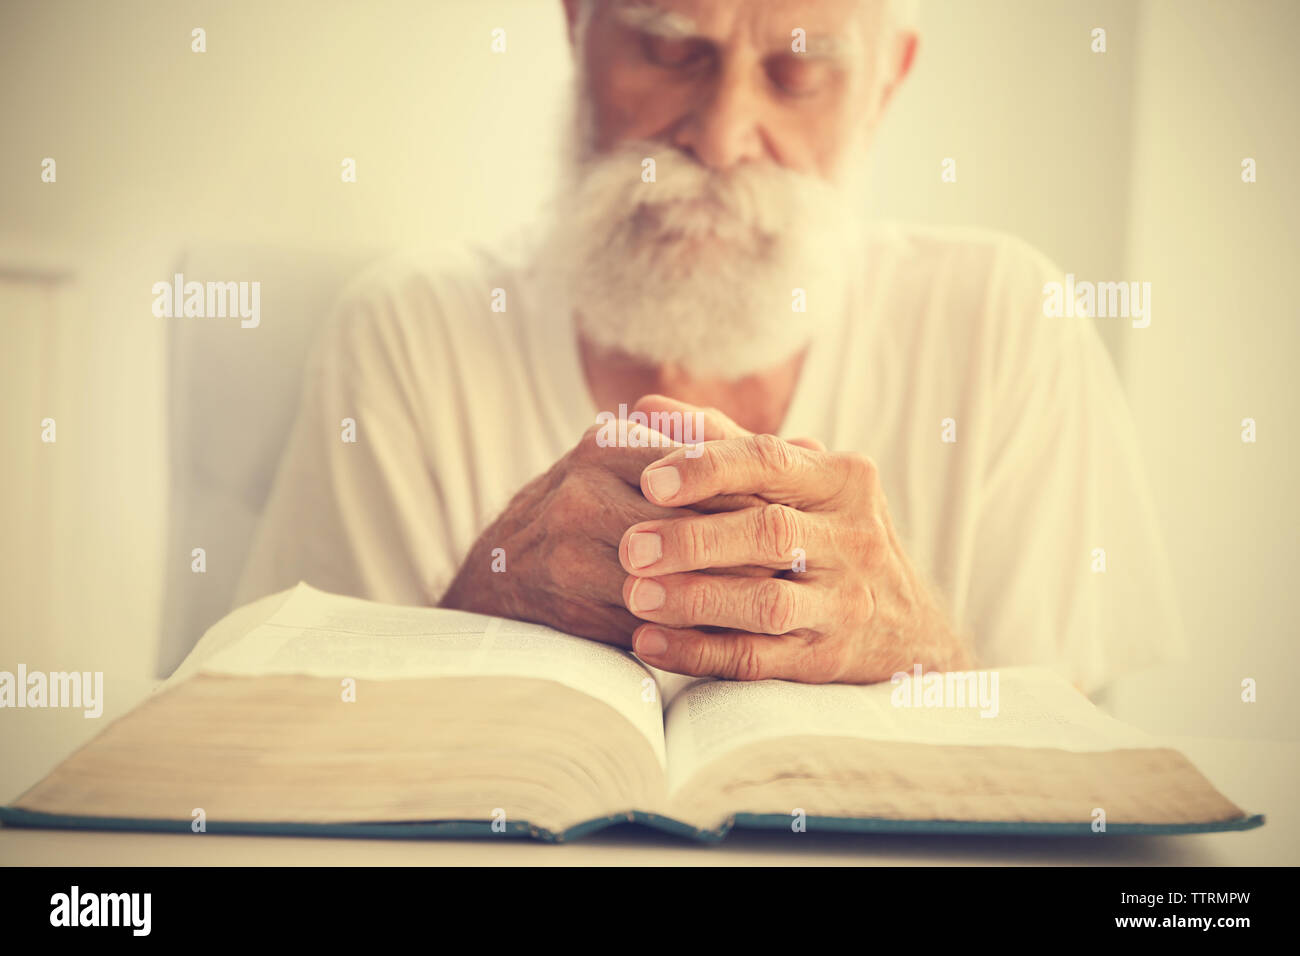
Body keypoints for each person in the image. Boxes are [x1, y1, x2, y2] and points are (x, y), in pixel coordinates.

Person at [235, 0, 1181, 693]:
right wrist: (481, 610)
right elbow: (293, 749)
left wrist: (915, 648)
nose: (723, 134)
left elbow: (1066, 779)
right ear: (576, 27)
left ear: (886, 82)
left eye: (799, 73)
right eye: (667, 46)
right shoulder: (408, 332)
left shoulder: (1008, 325)